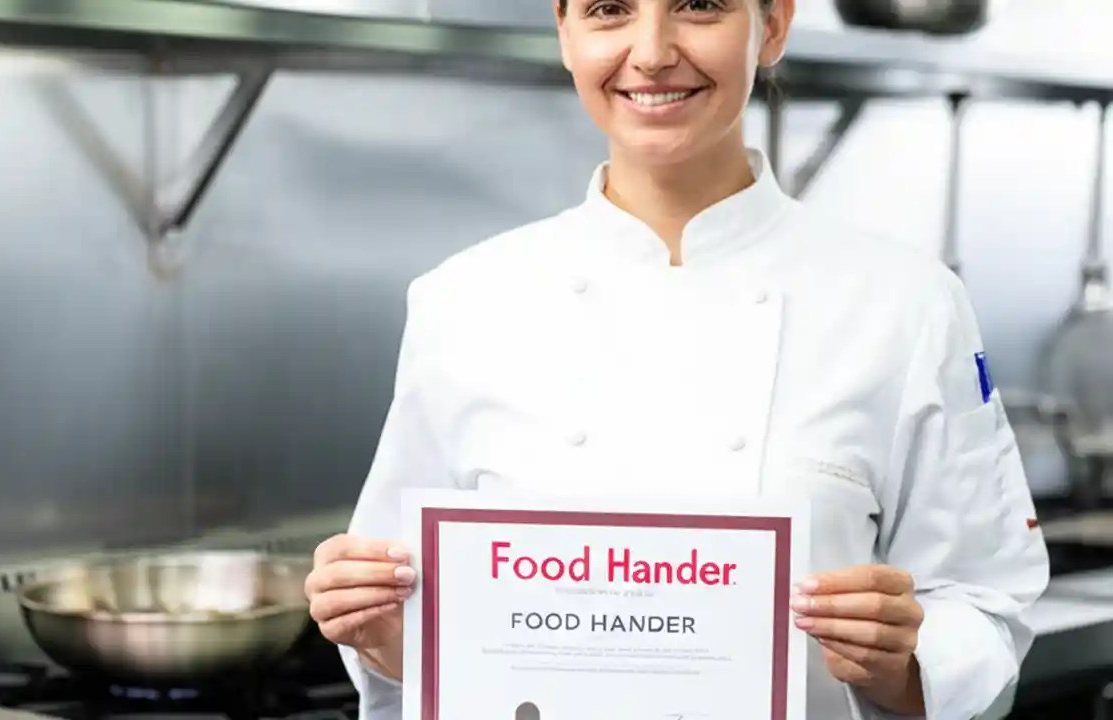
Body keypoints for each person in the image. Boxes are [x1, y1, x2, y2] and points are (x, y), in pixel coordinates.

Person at [302, 0, 1051, 717]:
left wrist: (904, 661)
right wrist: (381, 631)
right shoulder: (462, 302)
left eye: (699, 4)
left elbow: (988, 606)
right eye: (607, 9)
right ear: (564, 32)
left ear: (774, 24)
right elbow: (421, 638)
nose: (653, 53)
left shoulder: (906, 304)